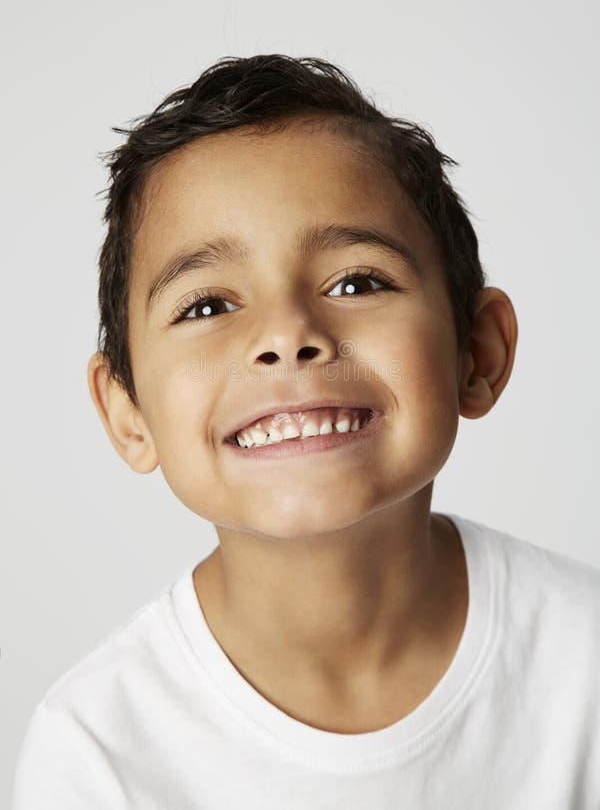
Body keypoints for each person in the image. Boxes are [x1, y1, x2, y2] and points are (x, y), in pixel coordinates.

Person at [11, 54, 600, 808]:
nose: (287, 335)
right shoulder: (94, 753)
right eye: (206, 305)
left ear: (478, 352)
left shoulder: (583, 663)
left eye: (356, 282)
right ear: (127, 412)